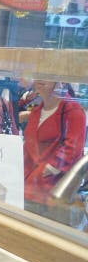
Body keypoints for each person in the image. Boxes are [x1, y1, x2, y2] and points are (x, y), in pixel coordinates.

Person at [23, 79, 87, 227]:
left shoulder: (72, 110)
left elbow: (72, 147)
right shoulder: (36, 112)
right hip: (30, 188)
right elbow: (29, 146)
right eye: (38, 74)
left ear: (61, 80)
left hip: (53, 192)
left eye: (47, 75)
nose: (40, 79)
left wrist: (49, 169)